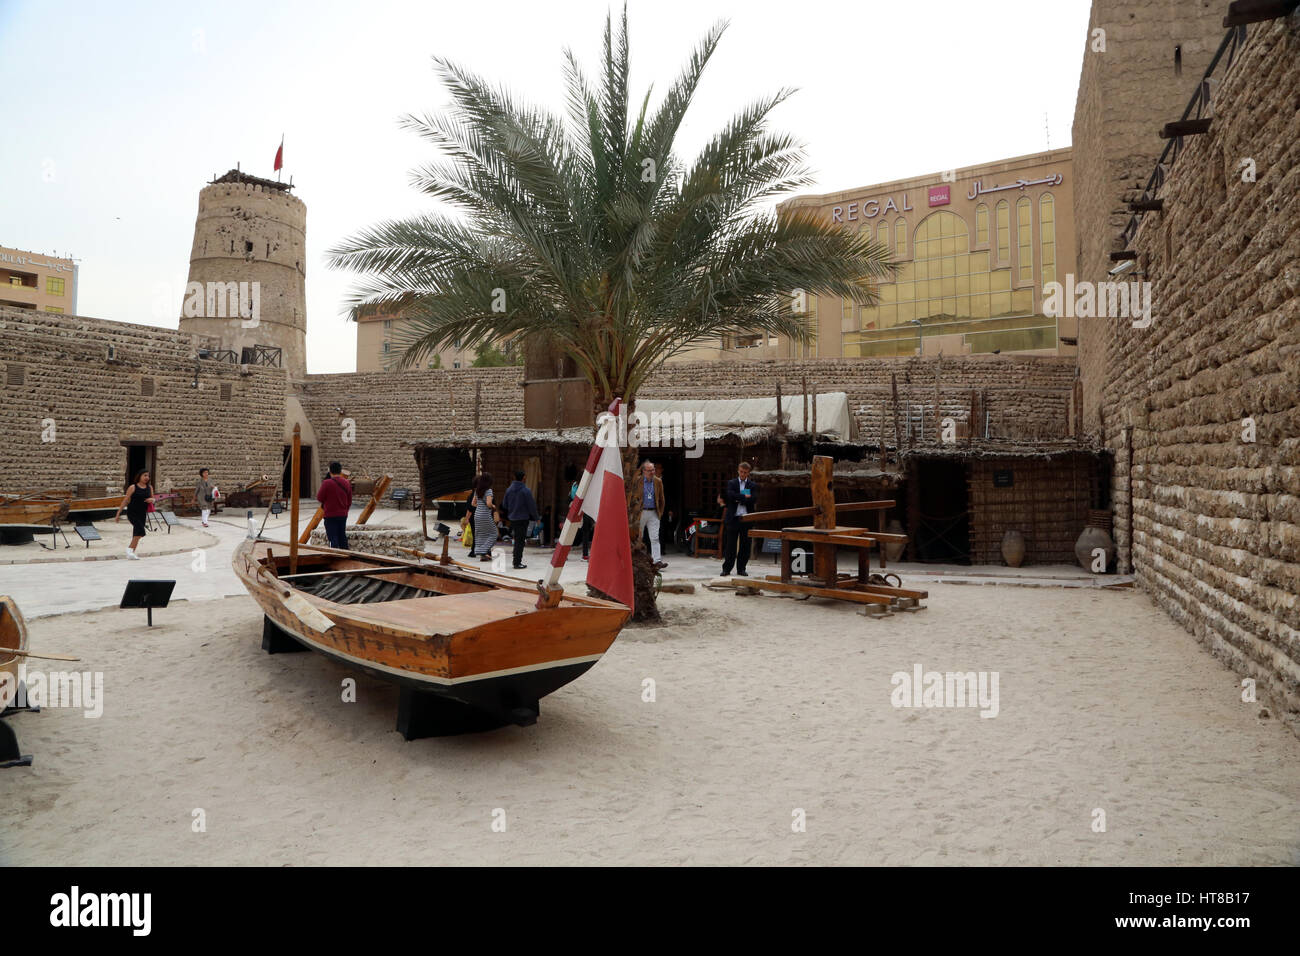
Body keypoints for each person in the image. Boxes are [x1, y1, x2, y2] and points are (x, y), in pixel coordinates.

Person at [721, 461, 759, 577]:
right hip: (733, 518)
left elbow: (753, 499)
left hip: (746, 518)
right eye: (741, 472)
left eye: (745, 472)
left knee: (745, 545)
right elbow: (729, 496)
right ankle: (726, 569)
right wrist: (743, 497)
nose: (743, 474)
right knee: (730, 545)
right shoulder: (731, 483)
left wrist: (738, 498)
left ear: (748, 473)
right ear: (738, 470)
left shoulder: (752, 485)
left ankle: (741, 569)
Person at [629, 459, 667, 570]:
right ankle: (638, 560)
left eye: (653, 470)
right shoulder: (637, 480)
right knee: (639, 537)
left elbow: (661, 499)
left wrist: (659, 513)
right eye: (649, 470)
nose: (652, 472)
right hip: (640, 512)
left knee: (655, 537)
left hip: (653, 512)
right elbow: (631, 497)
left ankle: (657, 561)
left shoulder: (658, 481)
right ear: (644, 471)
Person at [502, 470, 540, 570]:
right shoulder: (526, 491)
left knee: (517, 540)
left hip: (513, 518)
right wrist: (536, 518)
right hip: (522, 518)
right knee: (520, 541)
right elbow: (532, 506)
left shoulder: (509, 490)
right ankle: (517, 562)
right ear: (523, 478)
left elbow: (504, 505)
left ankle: (516, 560)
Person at [114, 469, 155, 559]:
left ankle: (131, 553)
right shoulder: (133, 487)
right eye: (144, 475)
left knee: (138, 532)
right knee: (140, 530)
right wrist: (118, 513)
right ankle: (129, 550)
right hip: (132, 513)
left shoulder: (150, 487)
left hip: (142, 513)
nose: (147, 477)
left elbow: (153, 498)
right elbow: (125, 500)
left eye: (148, 476)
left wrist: (152, 500)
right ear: (139, 476)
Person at [317, 461, 353, 550]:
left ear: (330, 472)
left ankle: (335, 557)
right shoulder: (347, 483)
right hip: (343, 515)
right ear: (340, 471)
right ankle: (346, 557)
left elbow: (319, 498)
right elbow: (349, 501)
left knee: (333, 538)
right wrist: (345, 510)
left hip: (330, 515)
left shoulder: (326, 483)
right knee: (342, 537)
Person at [470, 472, 498, 562]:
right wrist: (493, 506)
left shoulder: (477, 490)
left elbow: (473, 503)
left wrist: (480, 506)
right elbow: (489, 504)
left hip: (477, 515)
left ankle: (483, 555)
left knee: (480, 535)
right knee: (494, 533)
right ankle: (482, 551)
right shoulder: (488, 490)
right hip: (485, 515)